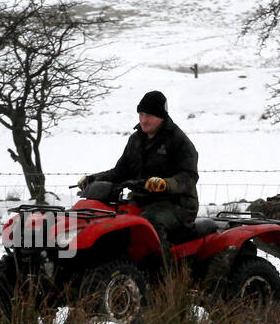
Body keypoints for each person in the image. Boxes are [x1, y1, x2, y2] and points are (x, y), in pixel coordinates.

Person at [80, 90, 199, 256]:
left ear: (161, 116)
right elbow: (119, 172)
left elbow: (189, 177)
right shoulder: (136, 140)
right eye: (141, 114)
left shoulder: (178, 141)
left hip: (177, 205)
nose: (143, 120)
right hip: (142, 201)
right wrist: (93, 179)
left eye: (149, 115)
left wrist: (165, 184)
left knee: (149, 223)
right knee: (114, 220)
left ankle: (162, 275)